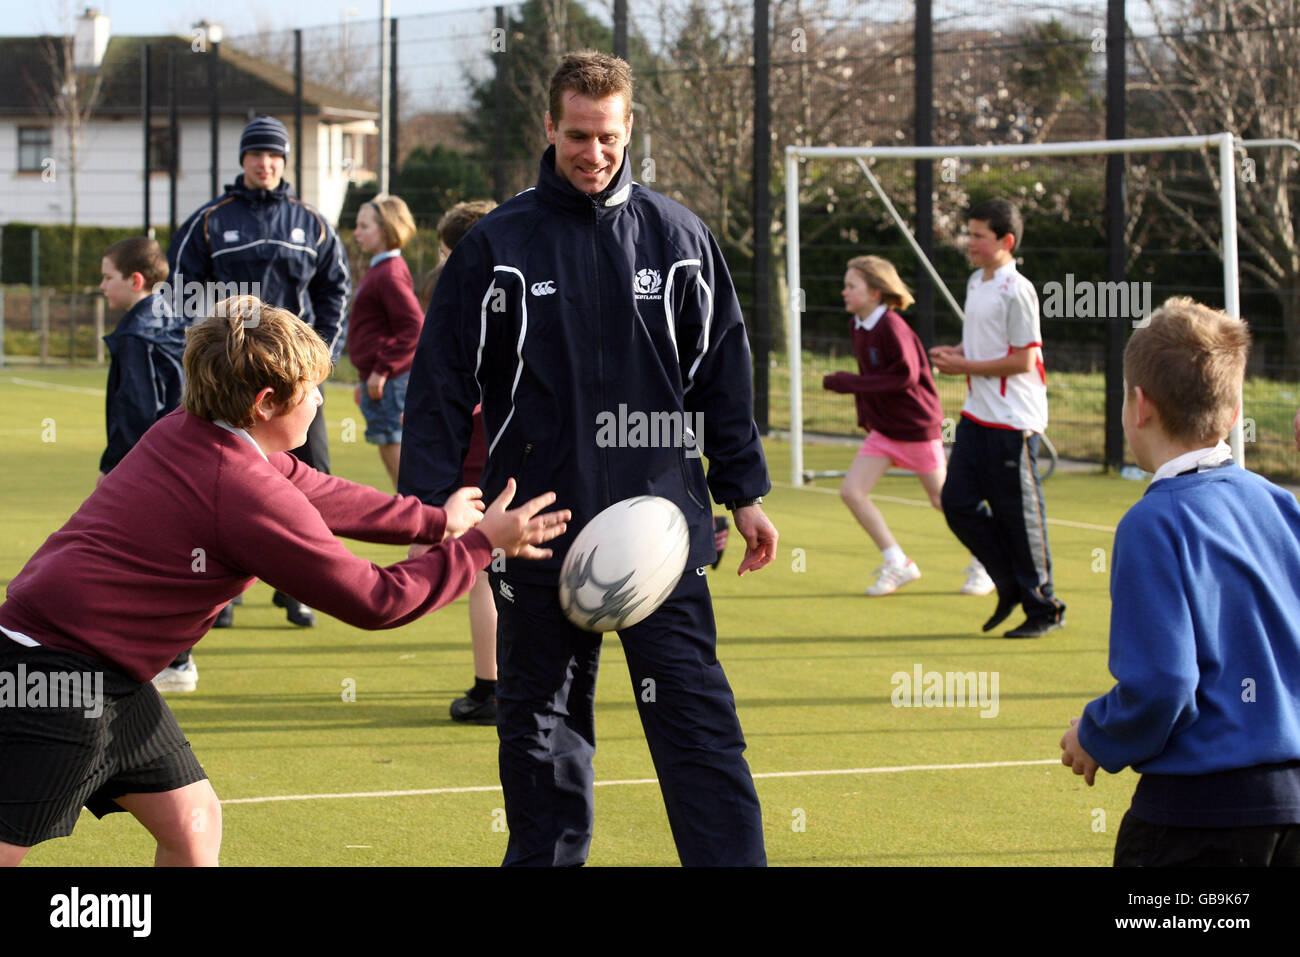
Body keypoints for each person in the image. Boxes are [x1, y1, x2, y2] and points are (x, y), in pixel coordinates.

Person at [0, 297, 567, 866]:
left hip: (88, 662)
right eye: (311, 389)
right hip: (59, 678)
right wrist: (483, 545)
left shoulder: (188, 427)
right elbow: (377, 599)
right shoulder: (241, 488)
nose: (320, 399)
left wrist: (437, 521)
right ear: (265, 402)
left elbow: (316, 490)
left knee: (194, 823)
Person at [400, 51, 778, 866]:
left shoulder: (680, 238)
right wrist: (436, 502)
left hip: (663, 534)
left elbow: (724, 373)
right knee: (540, 739)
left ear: (630, 126)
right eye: (577, 135)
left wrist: (743, 489)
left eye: (608, 136)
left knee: (700, 730)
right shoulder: (497, 245)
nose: (593, 153)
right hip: (537, 529)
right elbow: (437, 379)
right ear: (549, 126)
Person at [1059, 298, 1300, 866]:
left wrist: (1095, 735)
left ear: (1138, 405)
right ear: (1236, 410)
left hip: (1199, 818)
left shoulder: (1153, 522)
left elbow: (1164, 684)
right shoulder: (1278, 504)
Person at [169, 114, 350, 634]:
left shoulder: (311, 223)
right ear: (243, 160)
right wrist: (209, 354)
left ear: (285, 162)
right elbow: (183, 291)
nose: (265, 163)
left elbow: (334, 292)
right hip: (229, 382)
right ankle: (219, 593)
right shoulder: (210, 220)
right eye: (256, 154)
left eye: (274, 155)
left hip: (297, 383)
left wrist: (317, 361)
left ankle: (300, 589)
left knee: (311, 481)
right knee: (218, 483)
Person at [930, 198, 1066, 638]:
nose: (969, 242)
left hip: (1013, 421)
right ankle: (1009, 584)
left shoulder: (1018, 289)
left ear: (1005, 241)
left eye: (978, 236)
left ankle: (1044, 608)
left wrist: (963, 367)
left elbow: (1025, 360)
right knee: (956, 502)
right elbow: (989, 348)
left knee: (1020, 516)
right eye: (968, 233)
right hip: (977, 417)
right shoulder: (976, 281)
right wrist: (959, 353)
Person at [822, 255, 993, 597]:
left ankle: (987, 562)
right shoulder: (859, 325)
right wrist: (865, 414)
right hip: (885, 431)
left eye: (851, 286)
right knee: (852, 492)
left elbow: (906, 376)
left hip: (917, 429)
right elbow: (873, 378)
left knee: (944, 500)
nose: (844, 292)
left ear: (874, 292)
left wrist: (850, 383)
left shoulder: (892, 327)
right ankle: (897, 562)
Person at [411, 200, 502, 725]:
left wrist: (431, 501)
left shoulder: (463, 298)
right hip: (533, 450)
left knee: (489, 574)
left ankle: (491, 688)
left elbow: (446, 398)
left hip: (481, 454)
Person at [349, 193, 424, 489]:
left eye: (364, 226)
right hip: (379, 380)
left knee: (401, 465)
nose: (357, 232)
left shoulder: (389, 272)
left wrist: (382, 370)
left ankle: (422, 526)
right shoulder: (381, 269)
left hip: (389, 383)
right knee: (389, 449)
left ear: (386, 228)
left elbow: (413, 326)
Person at [97, 237, 186, 487]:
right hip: (185, 454)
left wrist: (112, 466)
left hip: (148, 465)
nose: (102, 285)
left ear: (135, 280)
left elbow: (136, 411)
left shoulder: (136, 338)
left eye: (108, 277)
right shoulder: (179, 325)